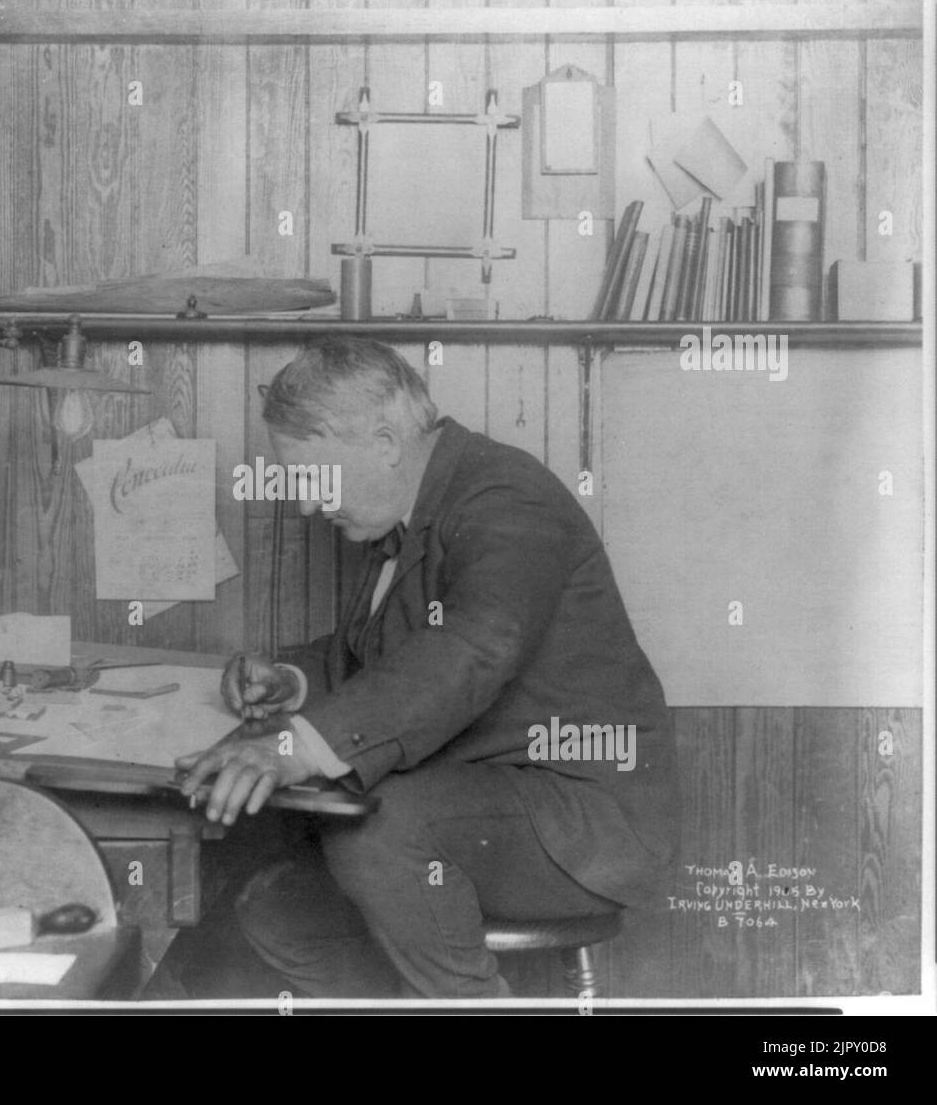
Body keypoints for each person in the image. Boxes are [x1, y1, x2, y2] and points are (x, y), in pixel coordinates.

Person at [174, 335, 680, 999]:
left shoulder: (507, 496)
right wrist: (288, 682)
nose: (303, 504)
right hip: (490, 794)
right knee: (278, 912)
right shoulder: (409, 514)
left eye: (312, 478)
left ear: (384, 443)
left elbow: (472, 649)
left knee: (378, 827)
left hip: (586, 819)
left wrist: (297, 747)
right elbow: (392, 661)